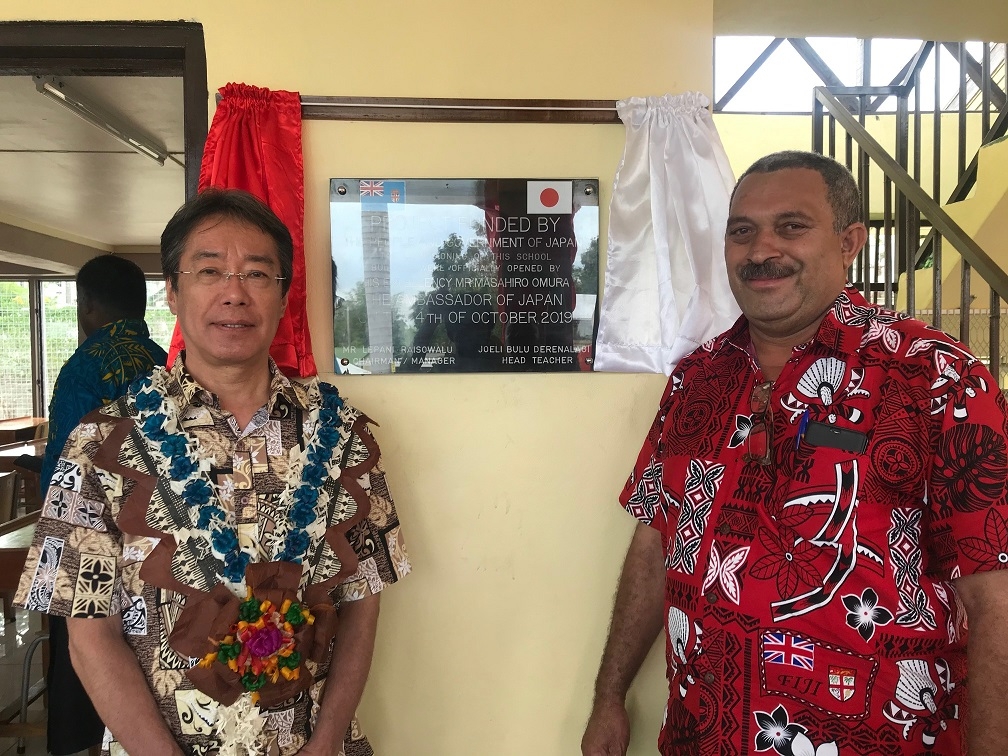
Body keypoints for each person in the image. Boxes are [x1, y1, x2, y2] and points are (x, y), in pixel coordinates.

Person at [581, 151, 1008, 755]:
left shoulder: (937, 379)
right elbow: (655, 545)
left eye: (792, 225)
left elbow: (996, 597)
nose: (760, 251)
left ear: (850, 241)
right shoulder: (695, 381)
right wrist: (608, 695)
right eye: (742, 231)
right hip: (702, 738)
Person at [15, 189, 410, 756]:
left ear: (282, 295)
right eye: (209, 271)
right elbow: (88, 632)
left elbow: (363, 601)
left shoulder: (344, 436)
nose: (233, 292)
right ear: (172, 293)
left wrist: (325, 743)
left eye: (256, 273)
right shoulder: (101, 443)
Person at [41, 253, 168, 756]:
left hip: (89, 542)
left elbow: (64, 477)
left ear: (87, 303)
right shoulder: (167, 363)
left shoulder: (81, 371)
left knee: (82, 660)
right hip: (160, 542)